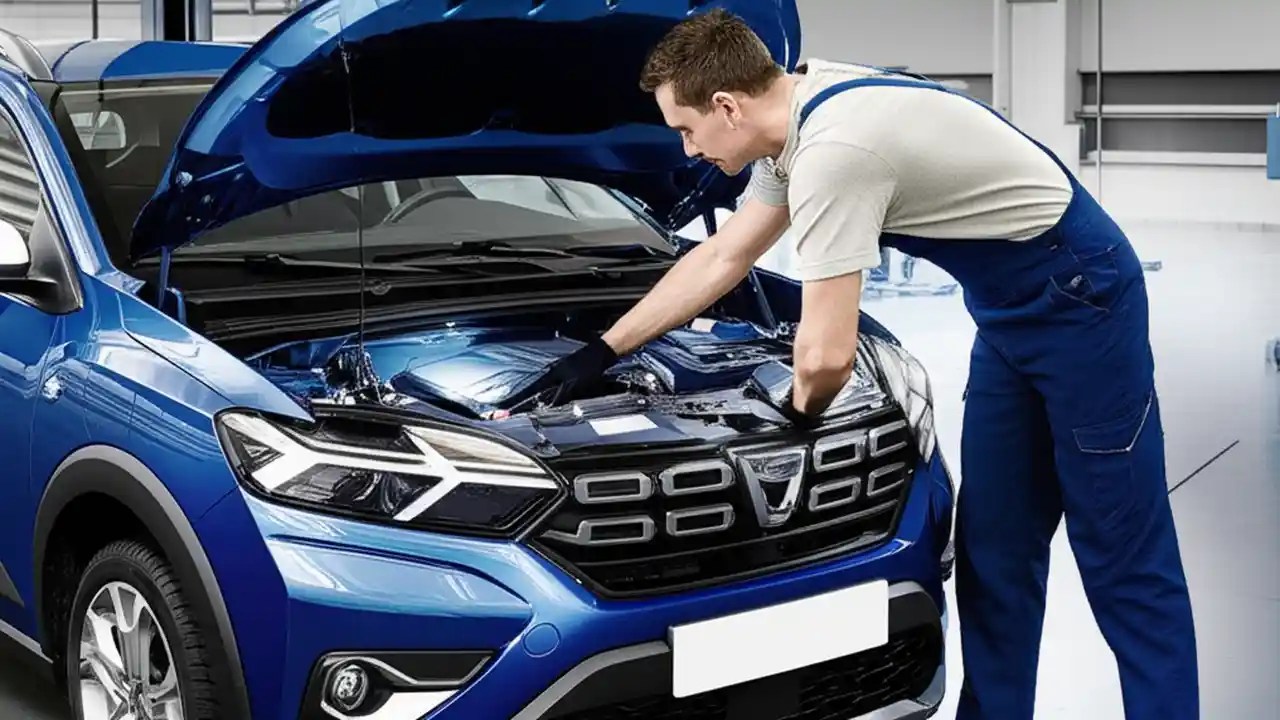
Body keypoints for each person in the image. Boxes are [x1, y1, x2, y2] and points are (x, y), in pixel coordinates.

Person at [512, 9, 1198, 719]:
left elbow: (827, 358)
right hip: (1007, 312)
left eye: (686, 130)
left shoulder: (835, 154)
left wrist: (790, 426)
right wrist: (603, 351)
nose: (686, 151)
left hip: (1084, 299)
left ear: (727, 106)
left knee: (1122, 555)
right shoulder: (791, 117)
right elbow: (723, 254)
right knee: (994, 552)